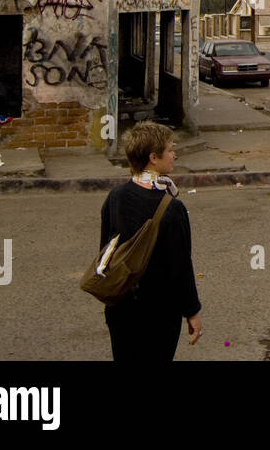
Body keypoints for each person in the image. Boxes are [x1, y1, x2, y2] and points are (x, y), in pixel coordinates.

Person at [100, 122, 203, 361]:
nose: (174, 154)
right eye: (169, 149)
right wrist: (192, 312)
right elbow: (180, 268)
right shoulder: (171, 207)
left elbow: (106, 252)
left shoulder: (115, 197)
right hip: (159, 313)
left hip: (121, 308)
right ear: (153, 158)